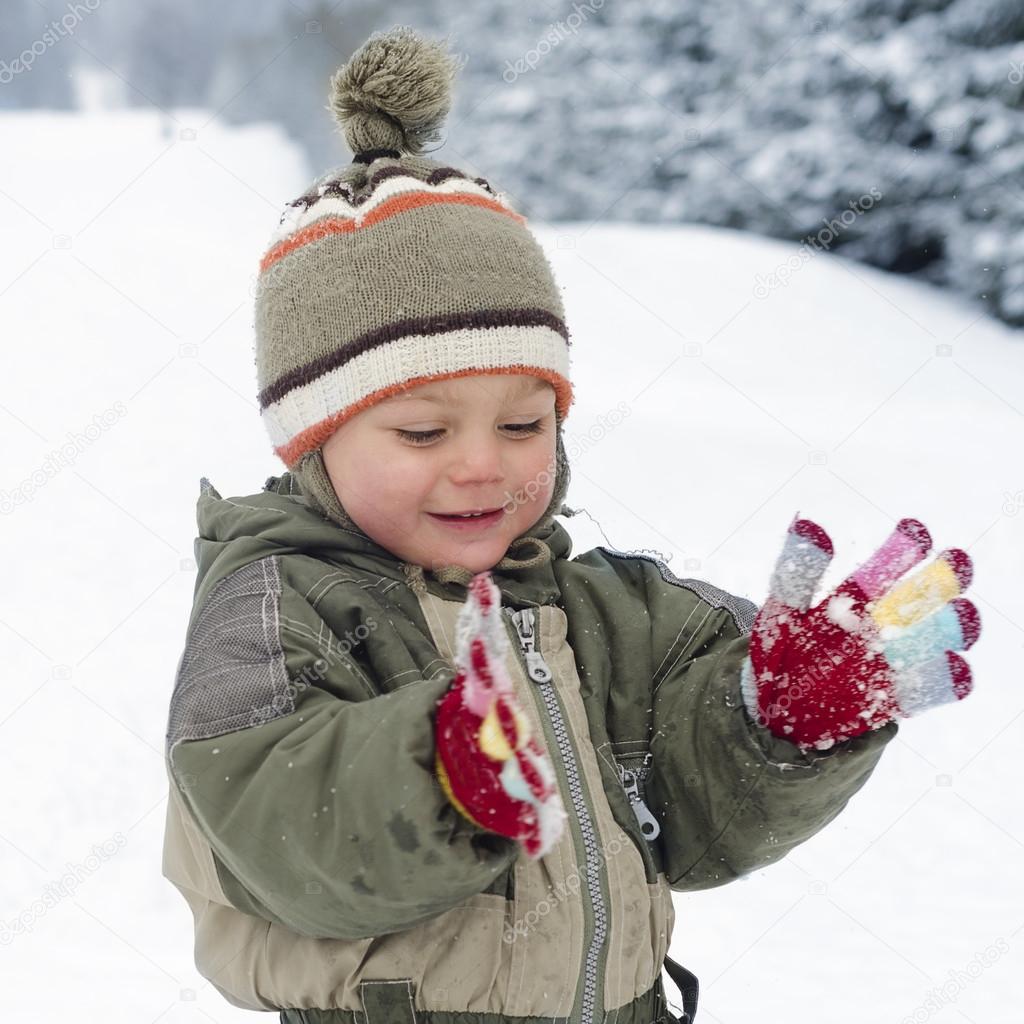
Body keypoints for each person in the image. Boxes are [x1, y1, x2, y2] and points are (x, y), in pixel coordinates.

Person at [160, 26, 981, 1024]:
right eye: (422, 430)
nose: (483, 464)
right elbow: (280, 830)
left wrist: (774, 725)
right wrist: (443, 774)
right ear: (313, 439)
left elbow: (692, 822)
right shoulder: (277, 607)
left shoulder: (609, 613)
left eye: (523, 424)